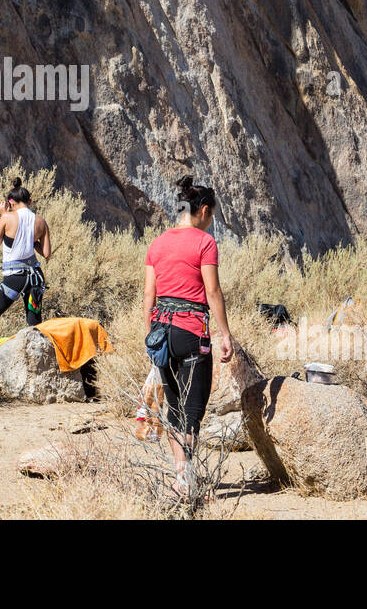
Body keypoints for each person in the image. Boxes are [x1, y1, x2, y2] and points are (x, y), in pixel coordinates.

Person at [142, 175, 234, 497]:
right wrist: (225, 334)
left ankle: (181, 478)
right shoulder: (204, 242)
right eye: (212, 217)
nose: (211, 223)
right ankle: (185, 482)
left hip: (162, 334)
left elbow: (148, 296)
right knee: (193, 411)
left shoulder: (157, 243)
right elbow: (213, 290)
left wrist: (149, 338)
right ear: (204, 210)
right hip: (192, 332)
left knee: (174, 409)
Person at [0, 178, 53, 353]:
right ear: (30, 201)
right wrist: (31, 240)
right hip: (35, 278)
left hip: (14, 278)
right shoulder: (41, 221)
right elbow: (46, 254)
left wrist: (3, 215)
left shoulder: (7, 217)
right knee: (35, 325)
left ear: (10, 203)